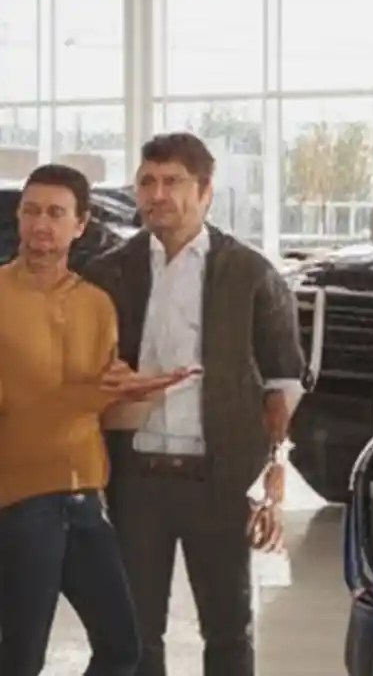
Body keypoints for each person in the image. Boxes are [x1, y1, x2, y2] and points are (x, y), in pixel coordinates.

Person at [83, 132, 307, 676]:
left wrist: (273, 477)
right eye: (147, 182)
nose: (156, 194)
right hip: (134, 478)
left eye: (172, 182)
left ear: (205, 191)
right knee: (135, 630)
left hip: (221, 477)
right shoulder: (110, 272)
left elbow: (283, 378)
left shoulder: (250, 273)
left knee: (229, 627)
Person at [0, 164, 191, 676]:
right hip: (18, 505)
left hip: (86, 501)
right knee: (18, 661)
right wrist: (89, 395)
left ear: (80, 224)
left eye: (56, 213)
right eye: (32, 211)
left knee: (122, 648)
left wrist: (137, 392)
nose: (42, 224)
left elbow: (102, 407)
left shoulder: (96, 305)